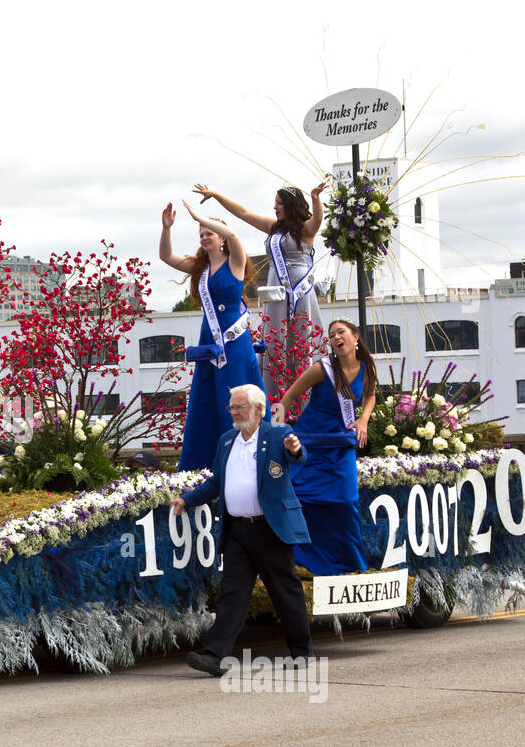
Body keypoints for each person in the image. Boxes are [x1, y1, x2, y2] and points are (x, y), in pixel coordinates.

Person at [169, 384, 312, 676]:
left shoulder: (278, 435)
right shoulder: (226, 440)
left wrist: (295, 449)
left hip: (269, 529)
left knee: (285, 593)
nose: (234, 412)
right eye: (232, 407)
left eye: (240, 407)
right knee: (232, 595)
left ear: (259, 409)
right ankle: (215, 655)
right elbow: (216, 483)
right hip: (236, 531)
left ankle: (301, 651)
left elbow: (297, 456)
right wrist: (187, 499)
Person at [194, 182, 329, 402]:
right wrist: (216, 195)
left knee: (301, 339)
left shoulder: (305, 229)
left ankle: (304, 400)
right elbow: (243, 212)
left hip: (298, 291)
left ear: (290, 205)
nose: (275, 207)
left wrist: (315, 198)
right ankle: (276, 396)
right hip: (276, 290)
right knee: (276, 343)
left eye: (279, 203)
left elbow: (317, 221)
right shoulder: (274, 228)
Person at [160, 202, 265, 472]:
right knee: (209, 400)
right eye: (201, 234)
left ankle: (252, 459)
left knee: (240, 395)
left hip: (234, 343)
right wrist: (166, 228)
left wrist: (199, 216)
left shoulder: (235, 261)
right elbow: (167, 257)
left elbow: (234, 236)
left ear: (220, 238)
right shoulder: (200, 269)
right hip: (211, 342)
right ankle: (210, 464)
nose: (205, 237)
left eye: (209, 233)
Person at [275, 319, 377, 575]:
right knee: (304, 500)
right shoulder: (322, 368)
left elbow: (371, 394)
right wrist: (274, 432)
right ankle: (300, 562)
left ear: (355, 337)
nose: (335, 338)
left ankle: (348, 563)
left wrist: (363, 420)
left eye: (341, 332)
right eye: (331, 335)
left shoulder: (367, 366)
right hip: (310, 441)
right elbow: (289, 397)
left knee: (345, 500)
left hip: (341, 442)